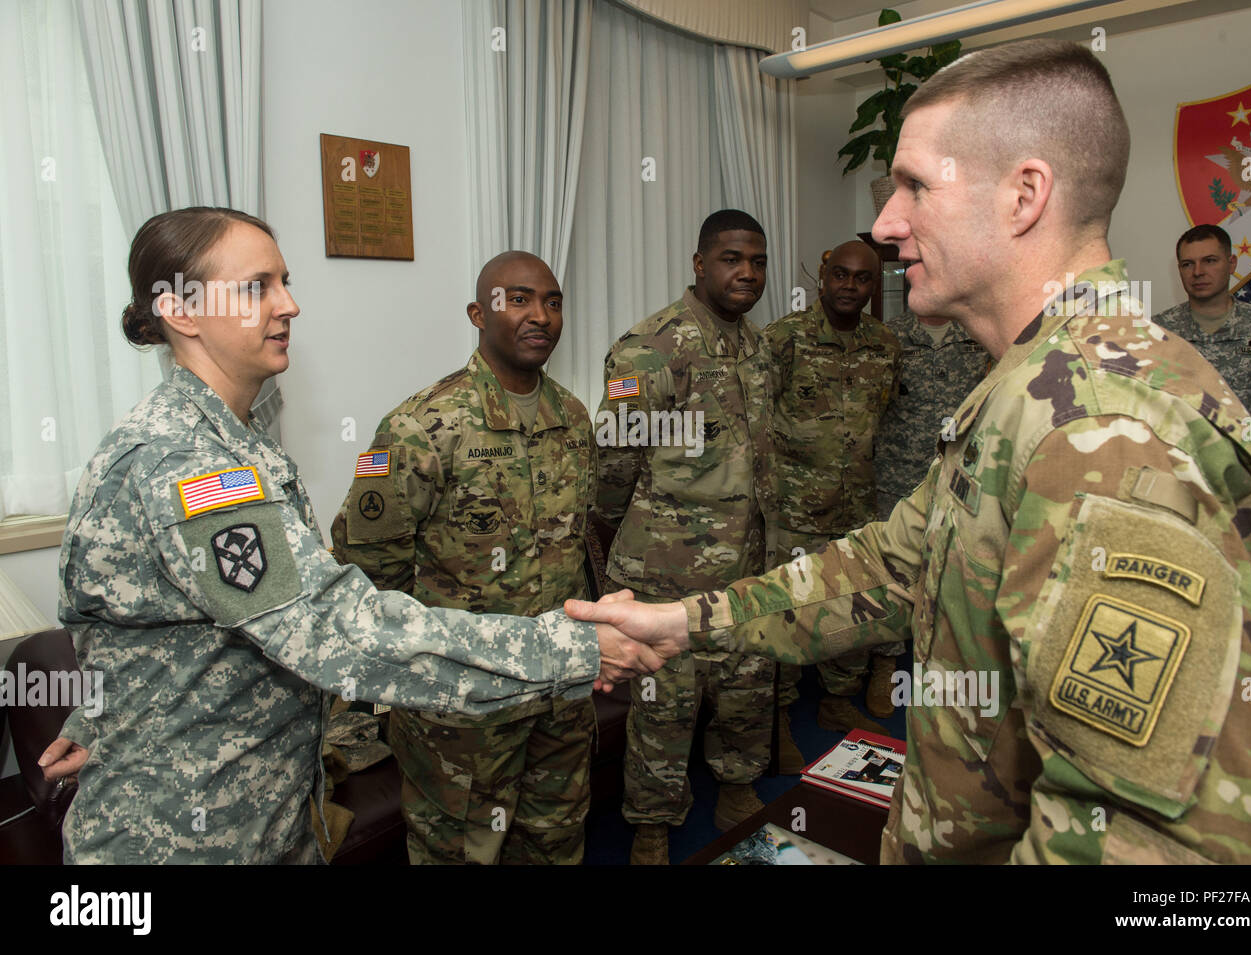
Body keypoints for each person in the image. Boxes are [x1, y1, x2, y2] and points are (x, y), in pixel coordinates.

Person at [568, 39, 1251, 864]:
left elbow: (1149, 848)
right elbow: (893, 565)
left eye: (915, 185)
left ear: (1025, 195)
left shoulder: (1105, 433)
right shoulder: (1036, 386)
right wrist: (679, 621)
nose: (885, 225)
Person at [39, 207, 652, 864]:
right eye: (258, 287)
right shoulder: (186, 465)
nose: (291, 305)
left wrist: (108, 709)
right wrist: (579, 646)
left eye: (285, 281)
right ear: (182, 312)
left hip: (271, 815)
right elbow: (337, 627)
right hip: (183, 841)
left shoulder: (239, 447)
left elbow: (130, 619)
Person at [330, 251, 596, 865]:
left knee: (556, 837)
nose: (540, 316)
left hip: (560, 685)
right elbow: (369, 569)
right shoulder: (419, 427)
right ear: (479, 313)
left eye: (553, 302)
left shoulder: (573, 418)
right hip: (464, 700)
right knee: (459, 851)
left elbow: (577, 544)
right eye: (519, 299)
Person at [594, 209, 773, 863]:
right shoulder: (651, 348)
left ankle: (737, 784)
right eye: (731, 258)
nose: (745, 273)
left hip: (745, 566)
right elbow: (611, 466)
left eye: (756, 261)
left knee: (746, 687)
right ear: (699, 264)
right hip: (664, 571)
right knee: (662, 707)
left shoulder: (758, 347)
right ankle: (650, 823)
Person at [762, 240, 902, 770]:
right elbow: (757, 418)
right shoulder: (784, 340)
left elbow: (879, 416)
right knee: (786, 613)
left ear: (874, 285)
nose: (849, 287)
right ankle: (776, 719)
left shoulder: (885, 345)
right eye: (839, 275)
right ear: (822, 277)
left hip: (856, 508)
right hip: (793, 512)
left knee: (853, 610)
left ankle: (838, 702)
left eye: (861, 279)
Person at [1151, 224, 1251, 424]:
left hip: (1250, 451)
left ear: (1231, 264)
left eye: (1210, 261)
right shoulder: (1157, 331)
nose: (1198, 272)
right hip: (1182, 452)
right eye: (1187, 264)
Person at [874, 309, 989, 519]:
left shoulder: (980, 331)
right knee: (895, 549)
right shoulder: (888, 335)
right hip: (898, 483)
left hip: (961, 479)